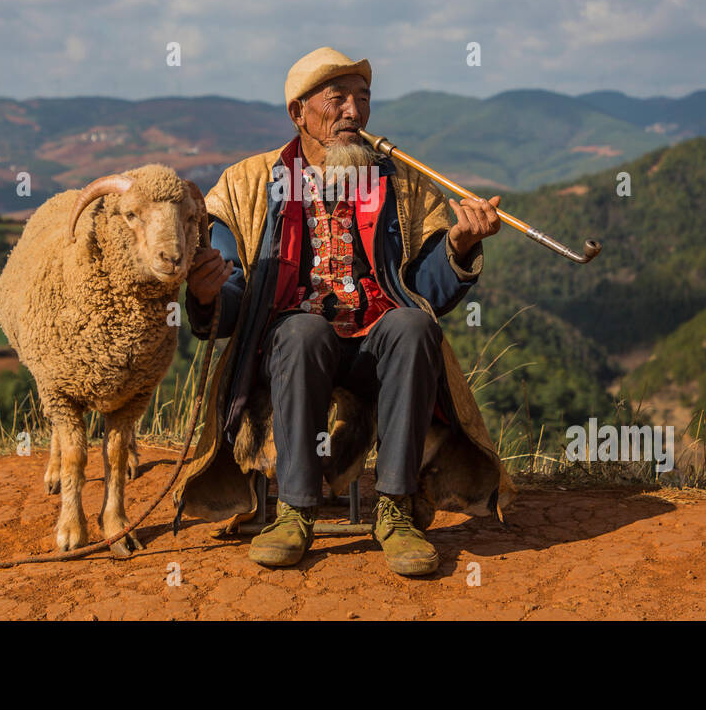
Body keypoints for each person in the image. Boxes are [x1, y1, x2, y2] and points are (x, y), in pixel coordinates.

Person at [178, 47, 513, 576]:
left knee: (411, 324)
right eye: (337, 101)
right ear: (299, 113)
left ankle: (396, 509)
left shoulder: (400, 182)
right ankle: (293, 510)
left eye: (363, 100)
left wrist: (461, 245)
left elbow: (424, 289)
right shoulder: (246, 184)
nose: (353, 113)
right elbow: (232, 300)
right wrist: (205, 296)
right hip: (289, 349)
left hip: (372, 345)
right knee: (305, 331)